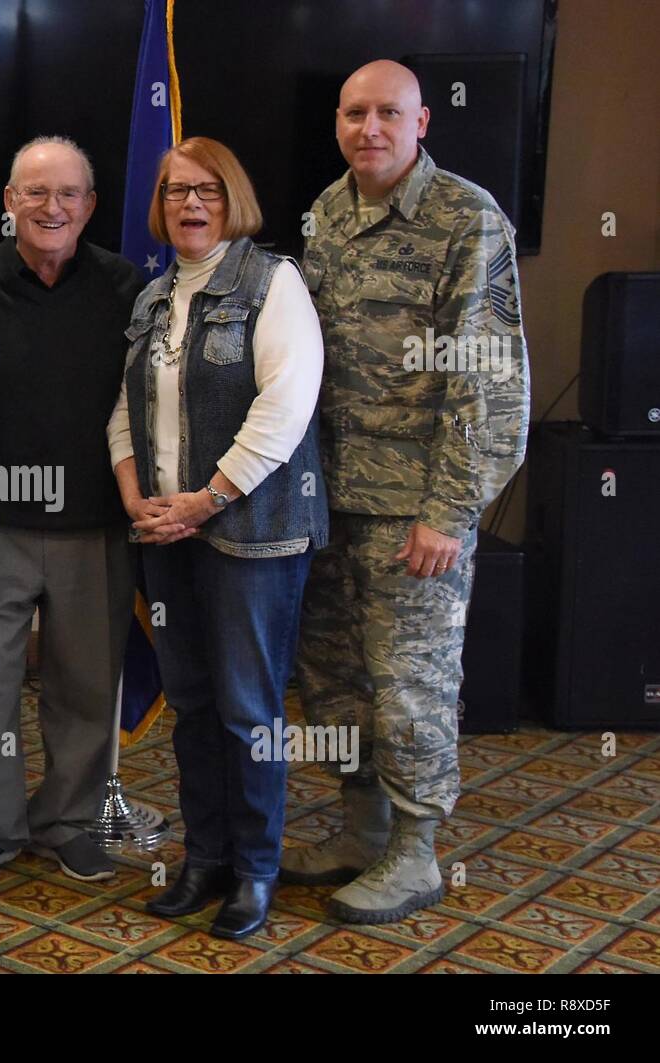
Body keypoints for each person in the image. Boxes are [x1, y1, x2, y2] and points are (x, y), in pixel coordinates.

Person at [288, 60, 530, 924]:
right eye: (355, 113)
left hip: (412, 512)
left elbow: (489, 379)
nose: (369, 129)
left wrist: (449, 510)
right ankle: (362, 827)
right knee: (336, 677)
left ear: (422, 121)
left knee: (411, 685)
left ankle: (418, 851)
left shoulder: (467, 219)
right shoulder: (325, 214)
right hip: (326, 500)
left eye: (389, 112)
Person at [108, 137, 327, 939]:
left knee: (246, 709)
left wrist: (204, 499)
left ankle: (256, 870)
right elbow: (124, 408)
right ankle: (205, 859)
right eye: (174, 192)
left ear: (232, 198)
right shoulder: (151, 296)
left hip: (252, 536)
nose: (190, 205)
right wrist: (139, 497)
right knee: (193, 705)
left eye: (206, 190)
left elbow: (286, 405)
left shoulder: (274, 282)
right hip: (167, 533)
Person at [0, 137, 144, 889]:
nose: (51, 207)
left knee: (86, 685)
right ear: (9, 203)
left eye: (68, 194)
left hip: (93, 519)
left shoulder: (127, 286)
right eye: (34, 193)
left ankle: (68, 821)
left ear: (90, 205)